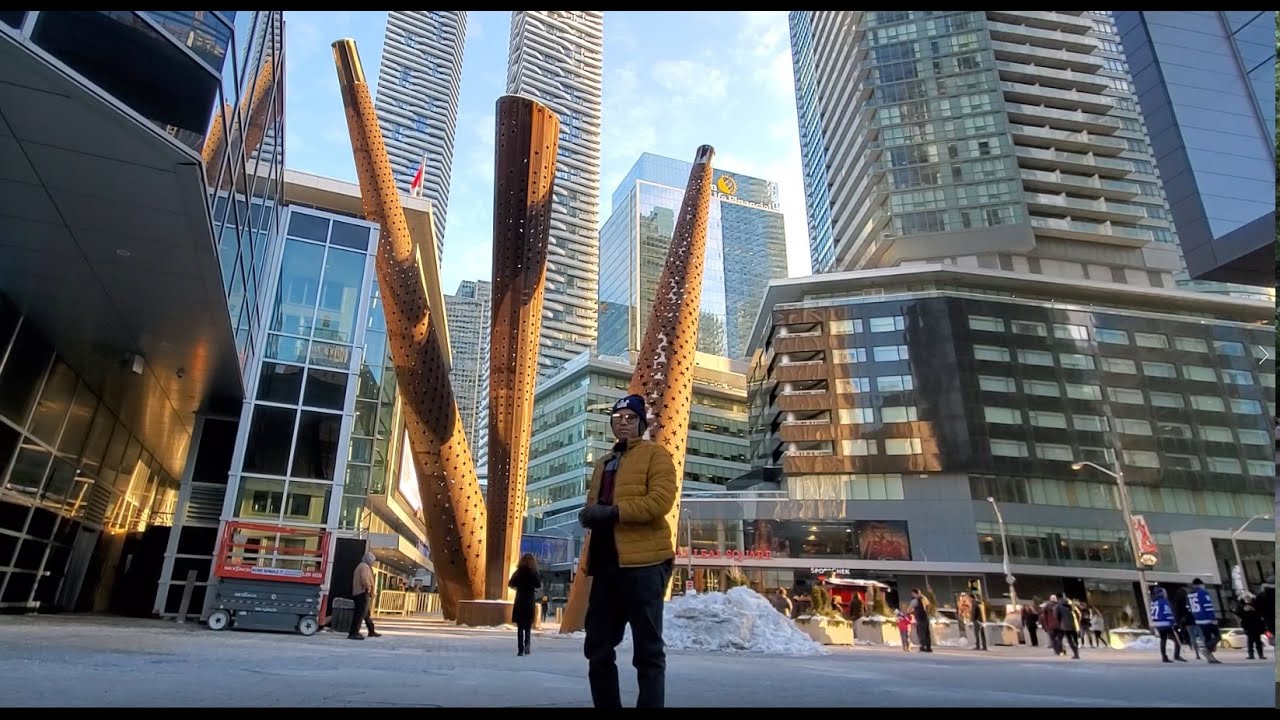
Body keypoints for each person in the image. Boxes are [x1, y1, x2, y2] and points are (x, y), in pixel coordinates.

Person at [579, 394, 677, 709]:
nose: (623, 422)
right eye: (617, 417)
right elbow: (594, 504)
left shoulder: (656, 455)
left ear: (642, 423)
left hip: (645, 564)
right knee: (597, 646)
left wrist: (613, 513)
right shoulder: (603, 463)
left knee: (648, 651)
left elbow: (659, 502)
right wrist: (588, 514)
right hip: (606, 564)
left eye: (630, 417)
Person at [508, 553, 542, 657]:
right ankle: (527, 645)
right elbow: (538, 584)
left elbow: (511, 583)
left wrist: (518, 586)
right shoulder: (533, 573)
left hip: (520, 599)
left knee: (520, 626)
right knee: (527, 626)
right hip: (529, 599)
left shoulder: (518, 572)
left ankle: (520, 649)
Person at [348, 552, 381, 640]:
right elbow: (364, 579)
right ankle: (354, 632)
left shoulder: (362, 566)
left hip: (360, 592)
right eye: (372, 560)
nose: (373, 562)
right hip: (362, 592)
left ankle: (371, 630)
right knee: (360, 613)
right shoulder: (364, 567)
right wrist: (368, 588)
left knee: (366, 613)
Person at [1187, 578, 1221, 664]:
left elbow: (1189, 607)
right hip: (1206, 618)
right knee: (1217, 636)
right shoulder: (1203, 593)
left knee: (1207, 637)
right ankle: (1206, 649)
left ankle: (1210, 658)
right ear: (1200, 585)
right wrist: (1213, 618)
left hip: (1198, 619)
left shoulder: (1190, 595)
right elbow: (1207, 606)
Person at [1150, 587, 1185, 663]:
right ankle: (1176, 655)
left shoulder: (1153, 602)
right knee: (1177, 639)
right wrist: (1173, 622)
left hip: (1157, 623)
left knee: (1163, 639)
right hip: (1165, 623)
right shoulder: (1164, 601)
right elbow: (1168, 612)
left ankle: (1164, 656)